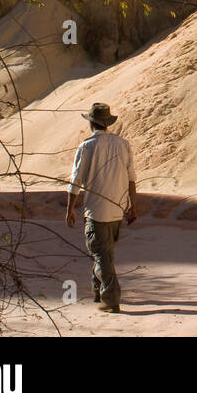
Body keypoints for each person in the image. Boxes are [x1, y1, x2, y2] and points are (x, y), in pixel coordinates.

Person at [65, 102, 138, 313]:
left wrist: (70, 208)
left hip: (96, 210)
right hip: (117, 208)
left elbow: (76, 180)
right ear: (107, 123)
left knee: (100, 254)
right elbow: (131, 178)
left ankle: (111, 298)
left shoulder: (86, 146)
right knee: (106, 252)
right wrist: (133, 206)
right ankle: (98, 292)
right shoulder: (123, 144)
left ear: (91, 123)